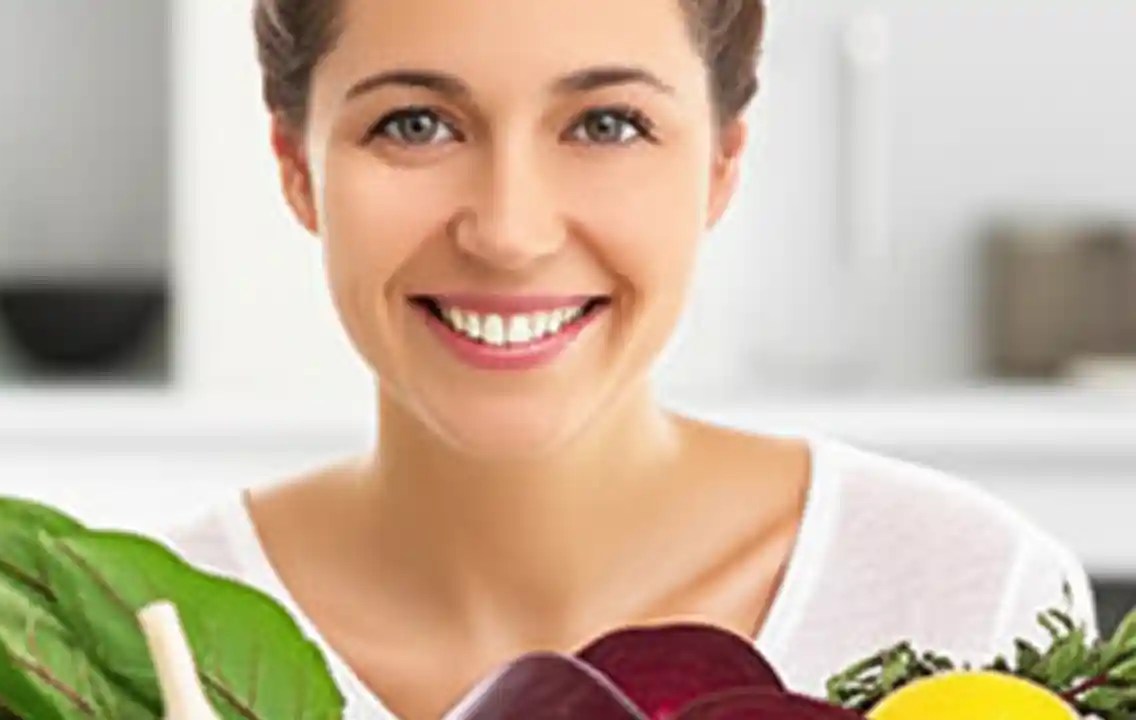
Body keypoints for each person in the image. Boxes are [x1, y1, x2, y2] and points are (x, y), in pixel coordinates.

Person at [163, 0, 1096, 718]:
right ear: (296, 167)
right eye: (415, 124)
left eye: (606, 125)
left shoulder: (968, 594)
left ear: (723, 163)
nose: (509, 232)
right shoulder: (114, 644)